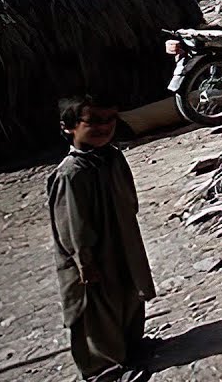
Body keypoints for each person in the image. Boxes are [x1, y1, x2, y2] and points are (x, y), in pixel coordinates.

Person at [47, 95, 155, 382]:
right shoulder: (70, 174)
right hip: (90, 254)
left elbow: (128, 198)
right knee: (95, 310)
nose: (104, 127)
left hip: (121, 241)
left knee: (127, 294)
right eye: (93, 121)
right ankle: (102, 371)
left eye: (110, 120)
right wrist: (84, 261)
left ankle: (130, 348)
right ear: (68, 127)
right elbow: (71, 224)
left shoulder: (112, 157)